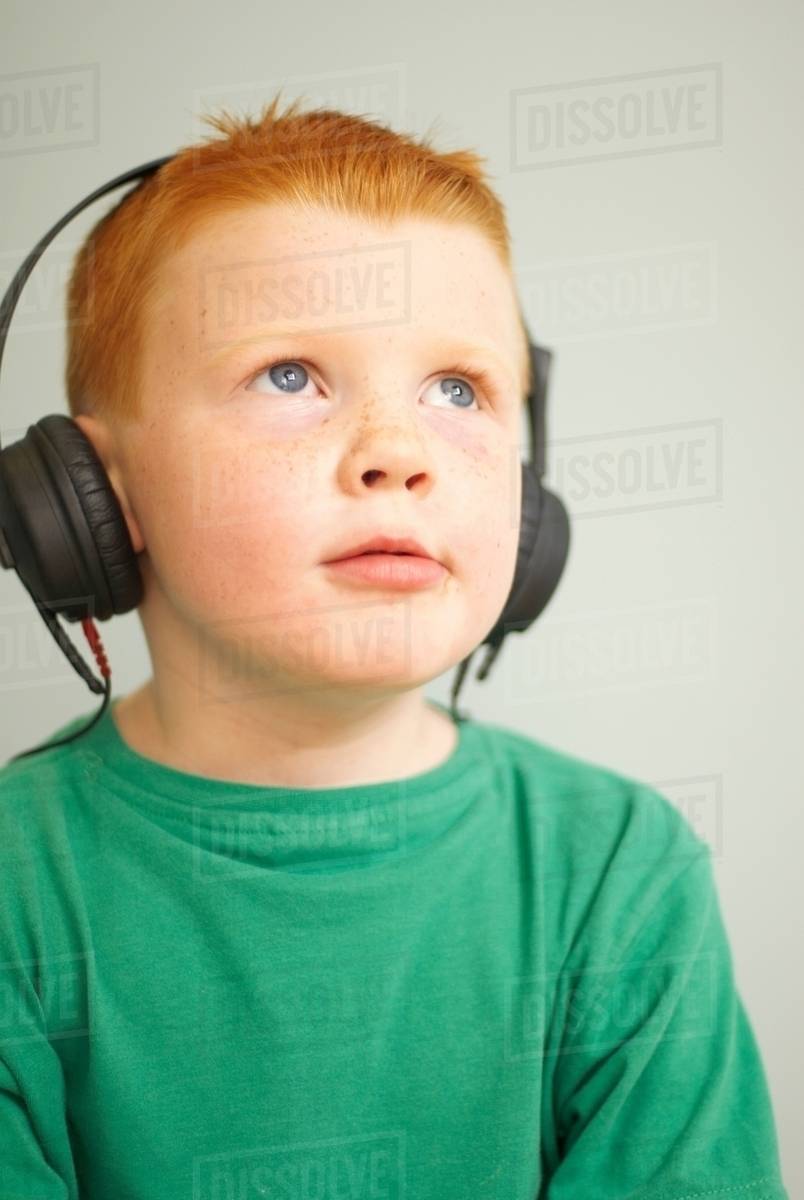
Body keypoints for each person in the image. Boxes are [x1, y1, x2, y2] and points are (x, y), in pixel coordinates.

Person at [0, 92, 789, 1198]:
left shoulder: (618, 868)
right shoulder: (17, 886)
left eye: (459, 388)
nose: (398, 452)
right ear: (89, 498)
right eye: (290, 376)